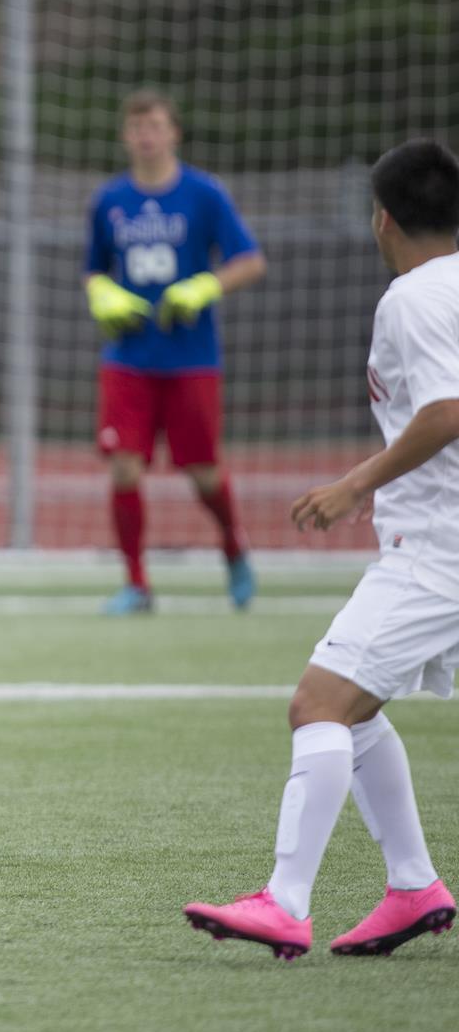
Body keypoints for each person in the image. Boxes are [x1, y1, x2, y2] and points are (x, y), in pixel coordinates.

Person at [183, 139, 459, 959]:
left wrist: (355, 483)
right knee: (356, 707)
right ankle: (412, 885)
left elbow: (446, 411)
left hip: (436, 552)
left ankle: (285, 901)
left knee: (319, 705)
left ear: (382, 218)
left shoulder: (412, 299)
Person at [83, 90, 266, 614]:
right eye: (137, 127)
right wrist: (101, 293)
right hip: (128, 359)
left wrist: (206, 286)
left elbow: (250, 261)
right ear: (125, 135)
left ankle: (233, 547)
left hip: (191, 358)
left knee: (204, 473)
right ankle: (136, 583)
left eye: (155, 126)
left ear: (173, 133)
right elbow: (92, 268)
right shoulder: (109, 201)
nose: (145, 136)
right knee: (123, 467)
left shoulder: (204, 195)